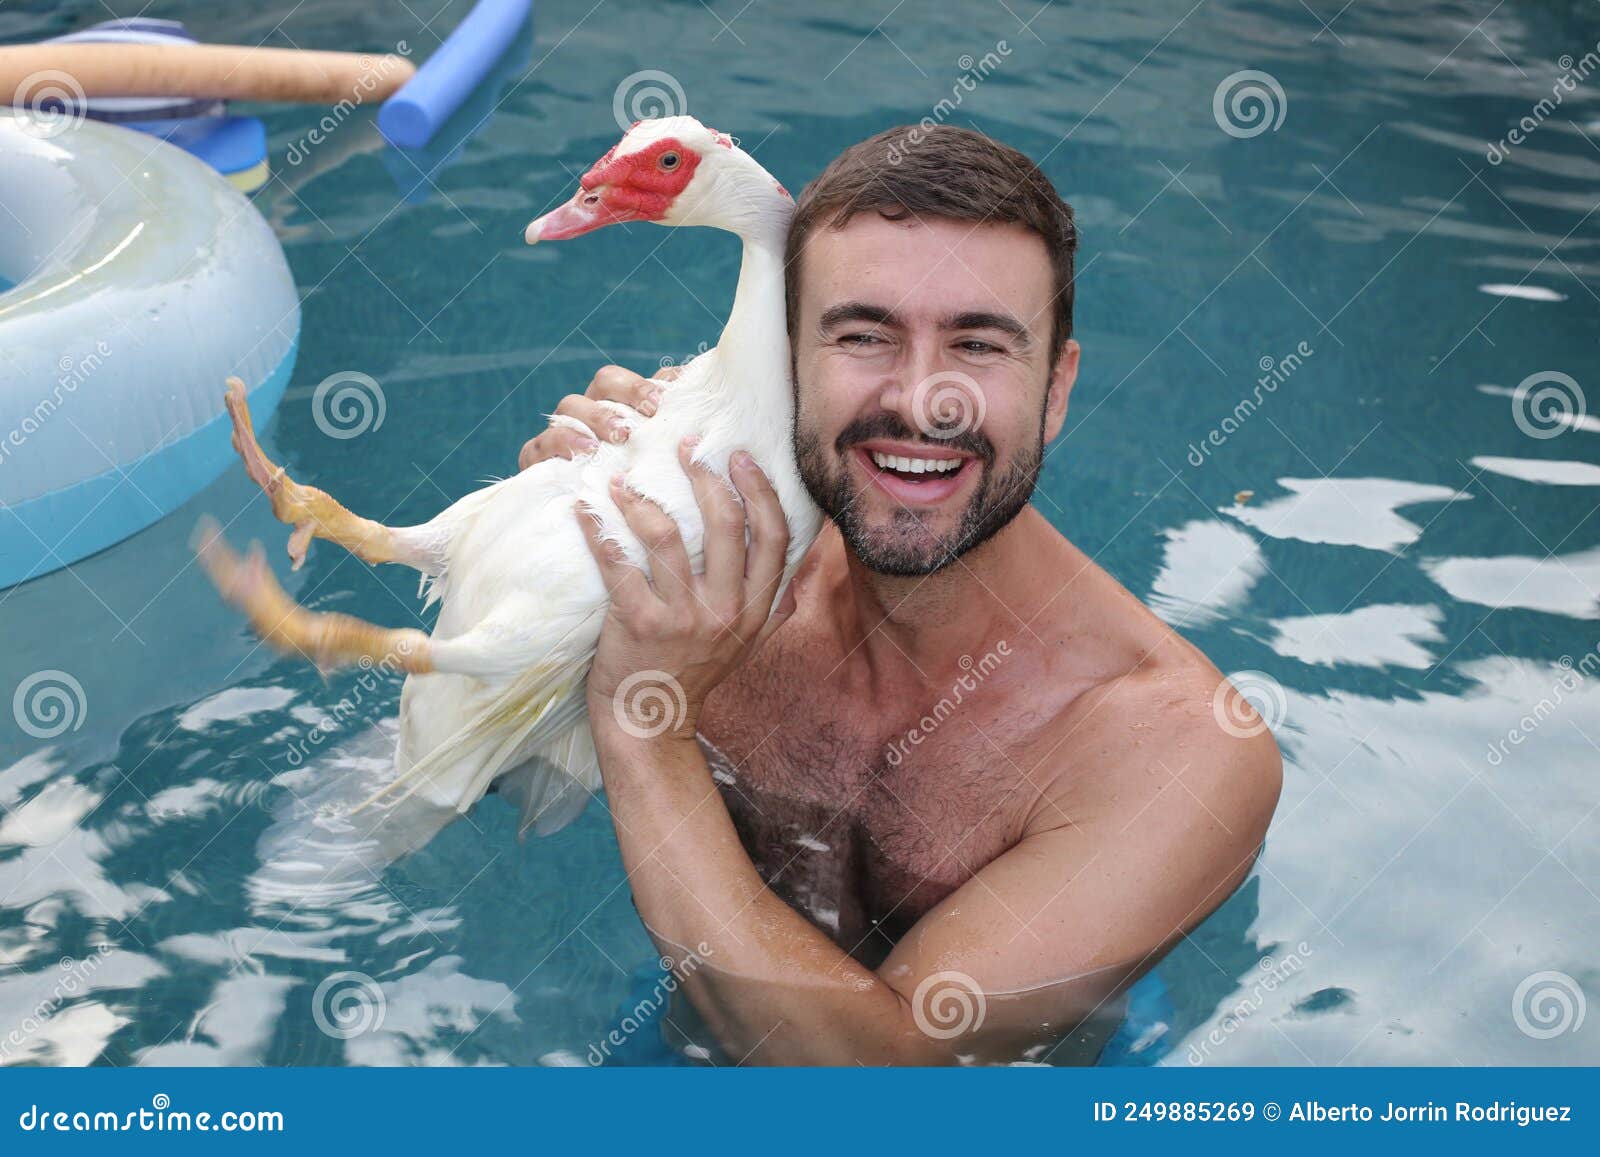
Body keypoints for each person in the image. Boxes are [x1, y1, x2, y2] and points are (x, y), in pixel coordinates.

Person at [519, 124, 1282, 1065]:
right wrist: (553, 563)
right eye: (865, 336)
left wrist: (643, 722)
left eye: (980, 343)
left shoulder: (1175, 748)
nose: (925, 402)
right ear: (788, 356)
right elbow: (506, 775)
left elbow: (893, 1084)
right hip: (690, 1006)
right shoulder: (709, 569)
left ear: (1055, 390)